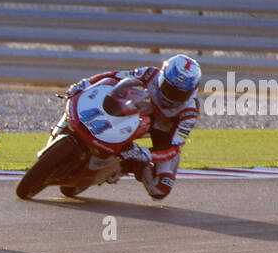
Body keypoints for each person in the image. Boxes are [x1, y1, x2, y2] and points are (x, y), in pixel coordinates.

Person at [61, 54, 202, 200]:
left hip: (163, 134)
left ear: (191, 92)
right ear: (162, 78)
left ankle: (126, 165)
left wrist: (144, 153)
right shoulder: (150, 74)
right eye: (168, 88)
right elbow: (114, 76)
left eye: (179, 94)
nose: (171, 96)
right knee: (94, 93)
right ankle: (69, 123)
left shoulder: (189, 111)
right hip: (140, 110)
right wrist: (85, 84)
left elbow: (173, 148)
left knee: (160, 189)